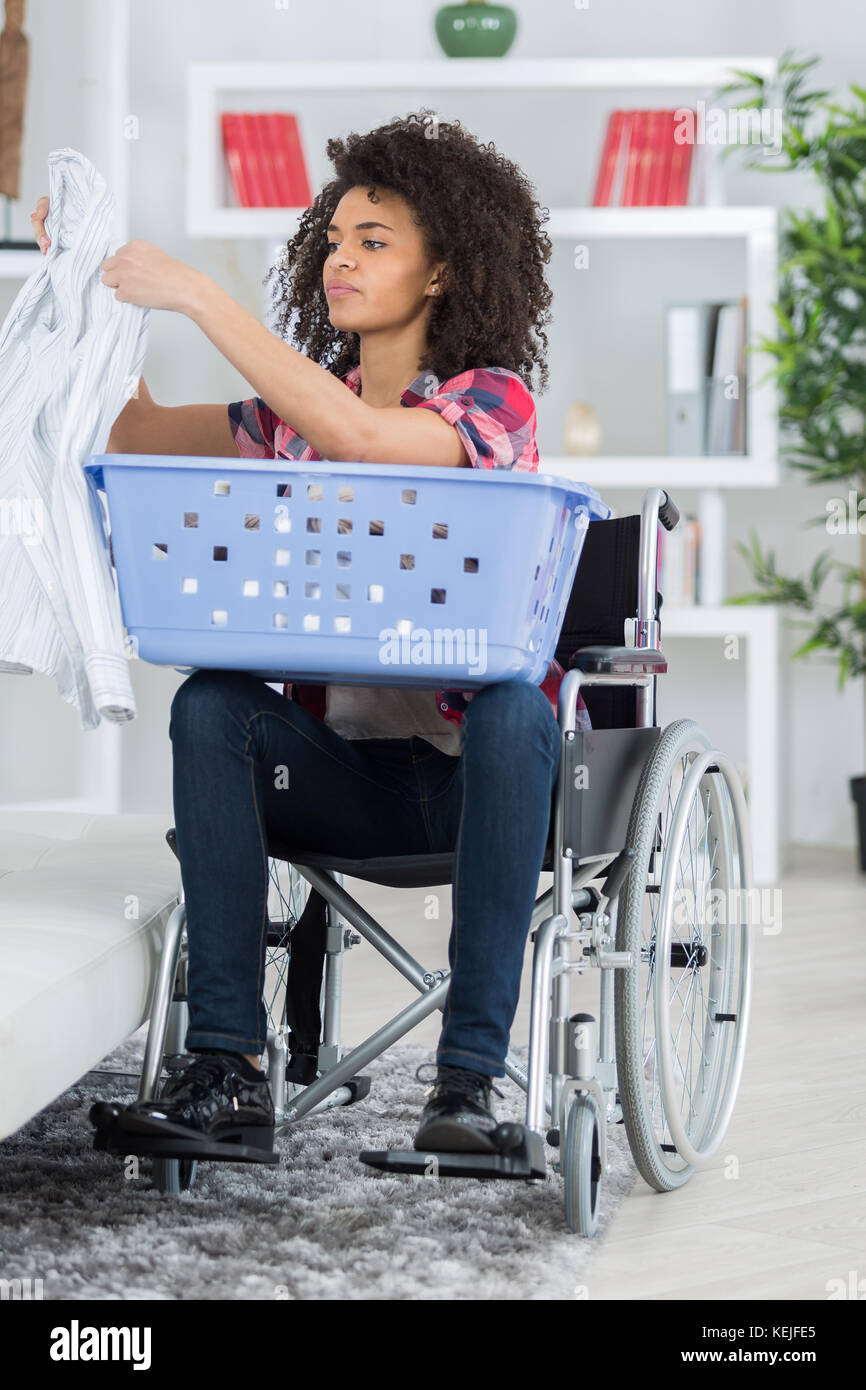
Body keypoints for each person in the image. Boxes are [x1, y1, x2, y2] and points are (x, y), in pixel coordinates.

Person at [34, 110, 585, 1157]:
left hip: (479, 784)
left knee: (517, 713)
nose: (340, 258)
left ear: (438, 273)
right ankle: (228, 1069)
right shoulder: (297, 412)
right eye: (332, 240)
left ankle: (466, 1089)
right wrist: (85, 282)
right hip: (343, 784)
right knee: (211, 703)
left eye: (372, 242)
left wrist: (199, 294)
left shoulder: (490, 403)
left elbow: (369, 442)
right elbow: (132, 431)